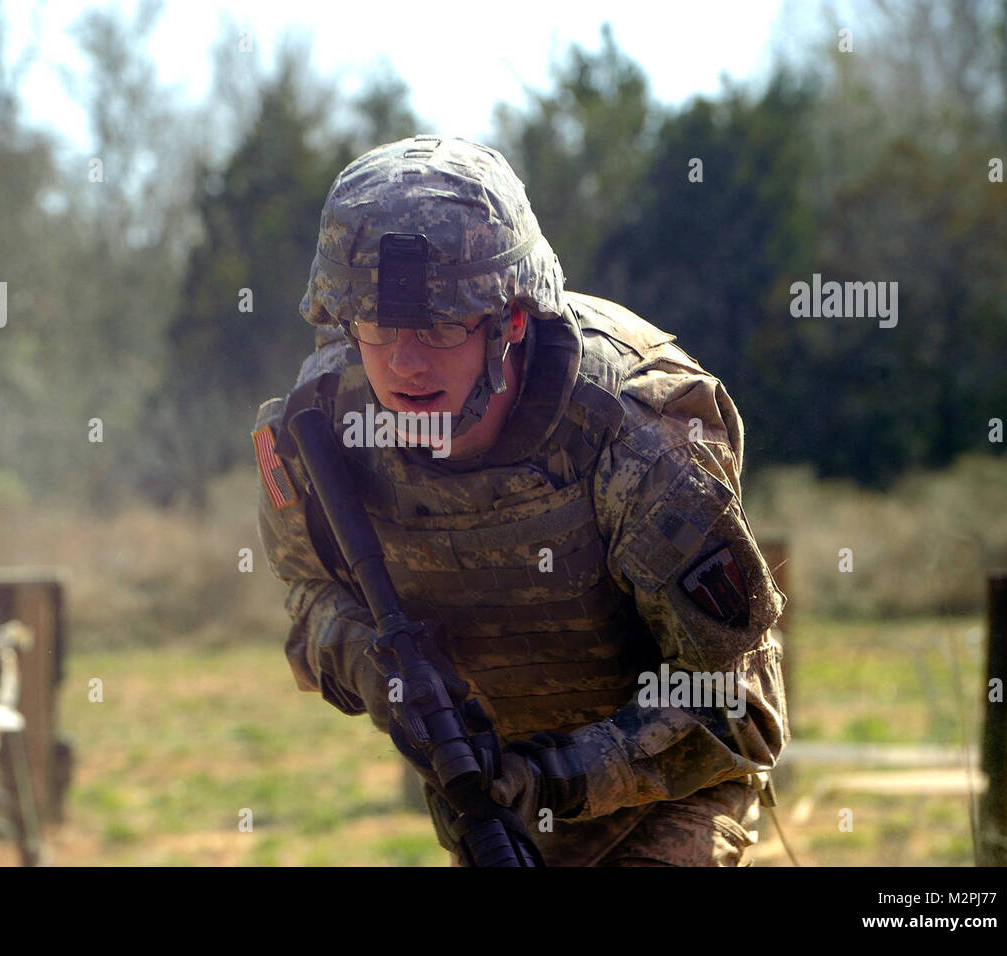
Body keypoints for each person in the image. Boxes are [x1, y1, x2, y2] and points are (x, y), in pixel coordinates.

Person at [253, 134, 789, 866]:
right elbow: (308, 598)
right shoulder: (320, 427)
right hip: (494, 801)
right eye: (378, 328)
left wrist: (554, 775)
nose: (405, 363)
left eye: (440, 327)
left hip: (671, 795)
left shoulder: (634, 433)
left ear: (513, 321)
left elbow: (741, 706)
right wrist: (378, 673)